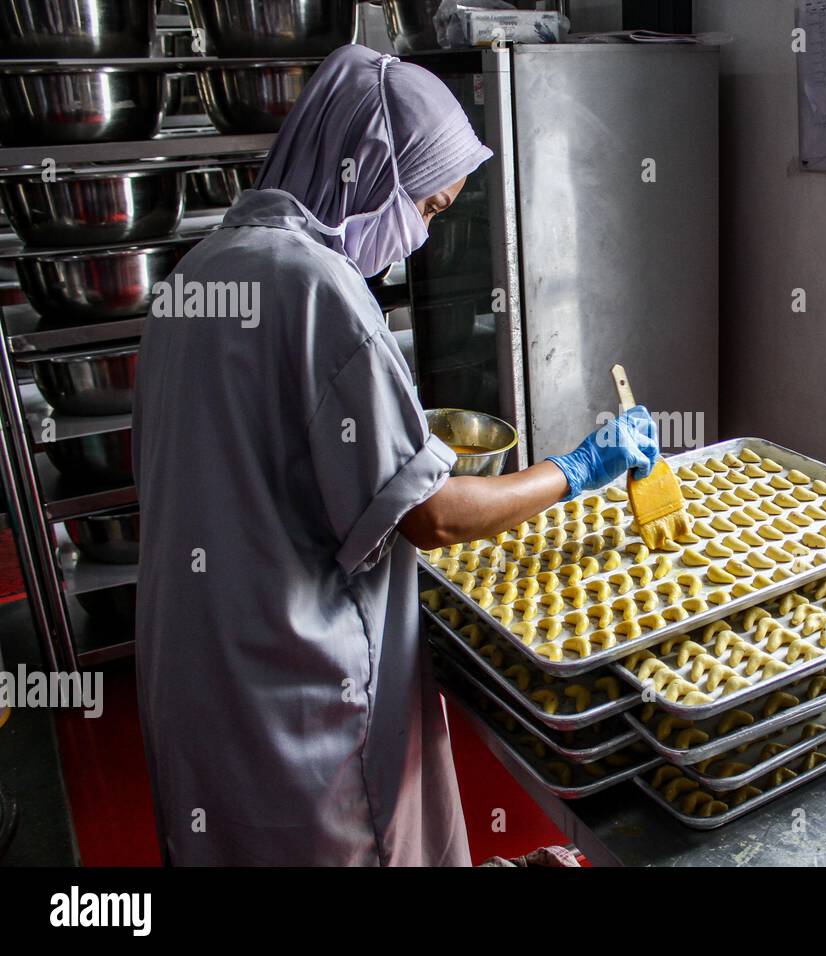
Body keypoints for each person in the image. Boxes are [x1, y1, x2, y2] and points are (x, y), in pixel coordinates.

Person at [132, 44, 658, 866]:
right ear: (363, 175)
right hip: (298, 689)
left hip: (197, 671)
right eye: (427, 208)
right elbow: (435, 516)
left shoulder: (198, 272)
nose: (419, 234)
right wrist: (577, 468)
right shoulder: (316, 287)